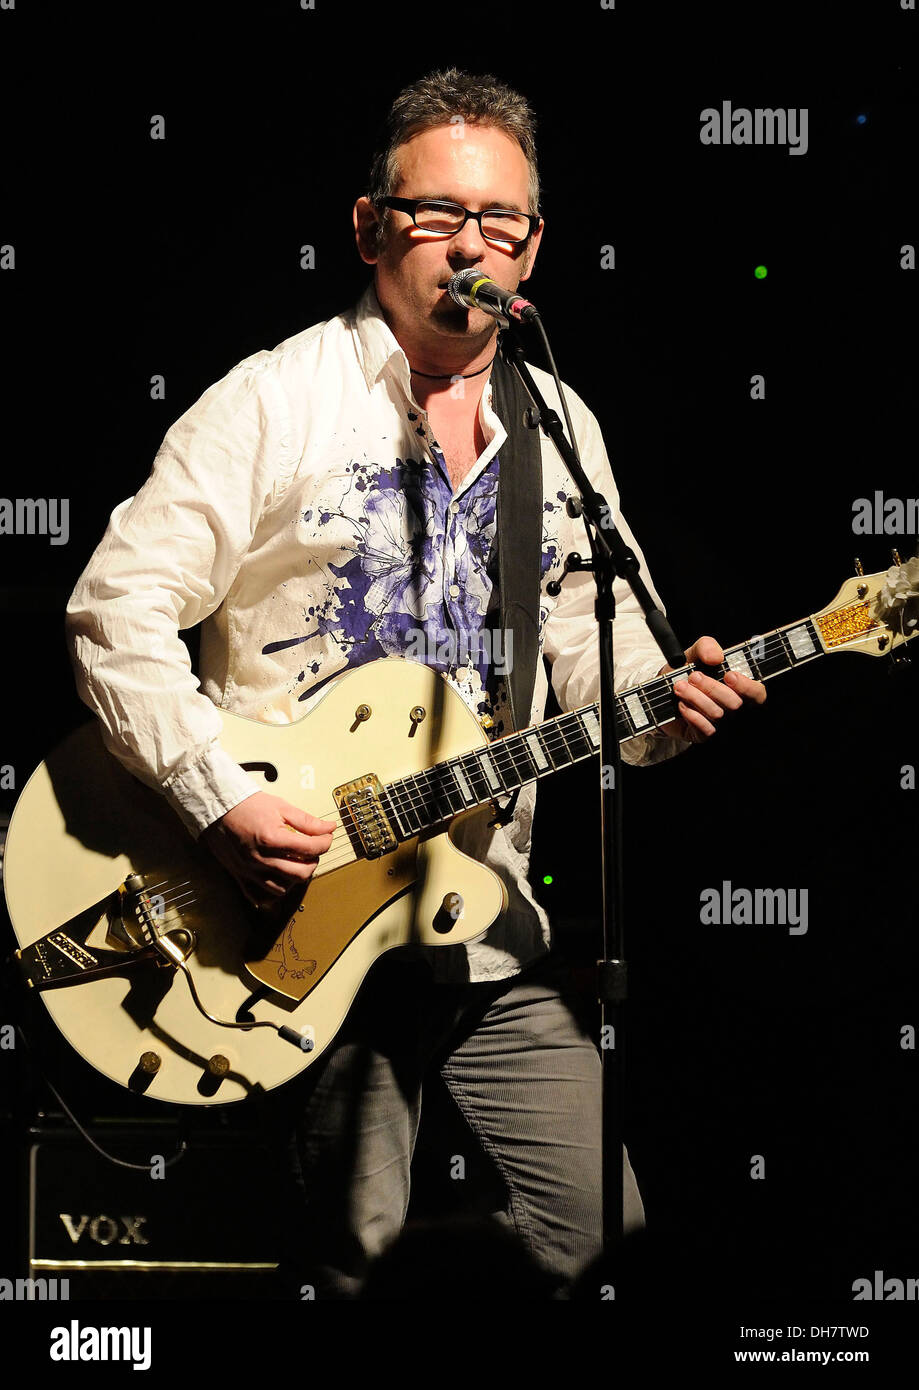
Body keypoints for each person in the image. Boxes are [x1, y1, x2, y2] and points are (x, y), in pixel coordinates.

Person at [65, 68, 766, 1298]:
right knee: (348, 1261)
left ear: (534, 245)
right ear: (370, 225)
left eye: (500, 221)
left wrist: (671, 700)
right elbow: (114, 611)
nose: (471, 244)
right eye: (438, 213)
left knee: (607, 1242)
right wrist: (217, 794)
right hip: (297, 920)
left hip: (487, 926)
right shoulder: (274, 403)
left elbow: (597, 655)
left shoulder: (559, 423)